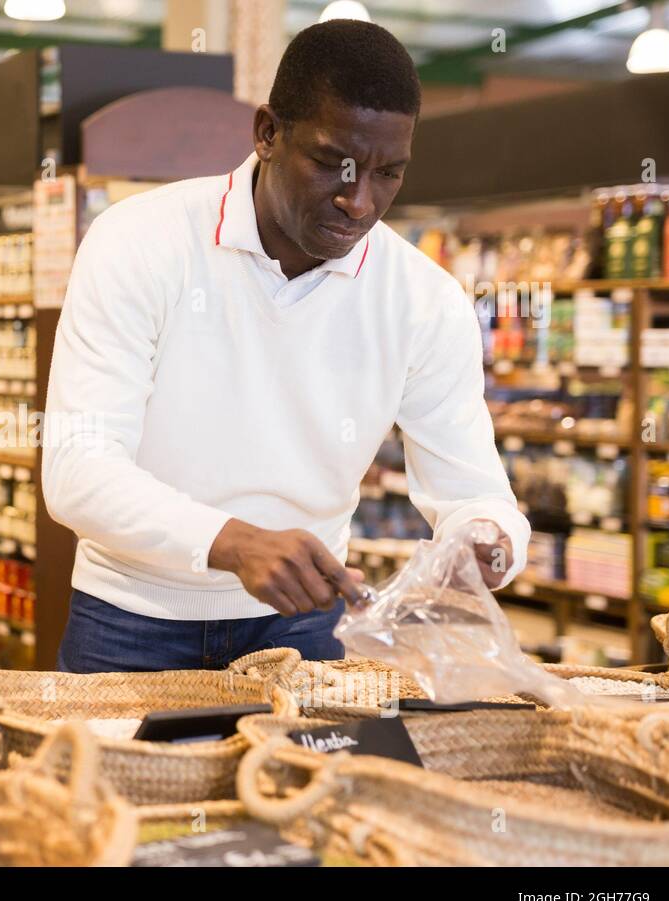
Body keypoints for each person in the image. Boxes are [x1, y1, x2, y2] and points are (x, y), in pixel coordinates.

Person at [43, 20, 531, 673]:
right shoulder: (140, 242)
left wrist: (486, 543)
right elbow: (78, 470)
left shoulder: (424, 299)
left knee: (302, 780)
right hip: (132, 620)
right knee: (107, 780)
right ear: (268, 132)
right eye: (334, 164)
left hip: (304, 627)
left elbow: (474, 490)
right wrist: (234, 543)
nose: (359, 203)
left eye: (388, 174)